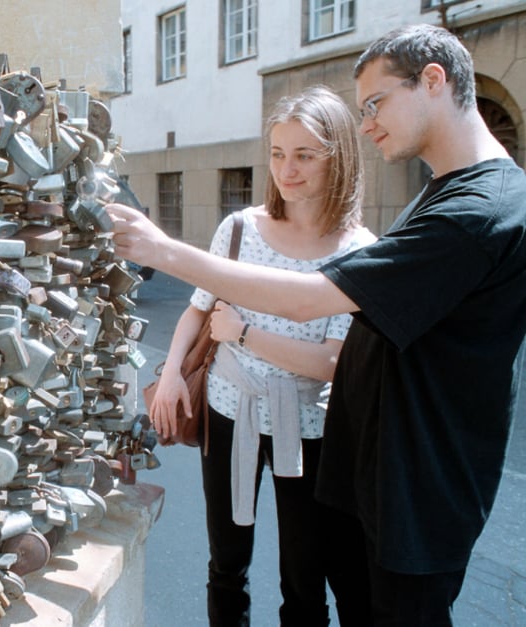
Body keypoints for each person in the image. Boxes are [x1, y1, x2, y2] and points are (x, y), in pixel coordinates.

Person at [109, 24, 526, 625]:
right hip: (373, 473)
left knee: (324, 589)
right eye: (279, 154)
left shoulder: (474, 211)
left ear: (433, 81)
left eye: (376, 104)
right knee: (274, 575)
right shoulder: (445, 192)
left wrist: (164, 252)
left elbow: (311, 301)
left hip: (409, 487)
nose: (368, 123)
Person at [149, 86, 375, 626]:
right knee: (227, 564)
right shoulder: (240, 229)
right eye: (277, 154)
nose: (286, 170)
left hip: (311, 428)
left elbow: (330, 363)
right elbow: (198, 313)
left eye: (304, 155)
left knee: (305, 578)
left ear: (337, 156)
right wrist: (171, 377)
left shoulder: (361, 250)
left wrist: (245, 333)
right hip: (229, 413)